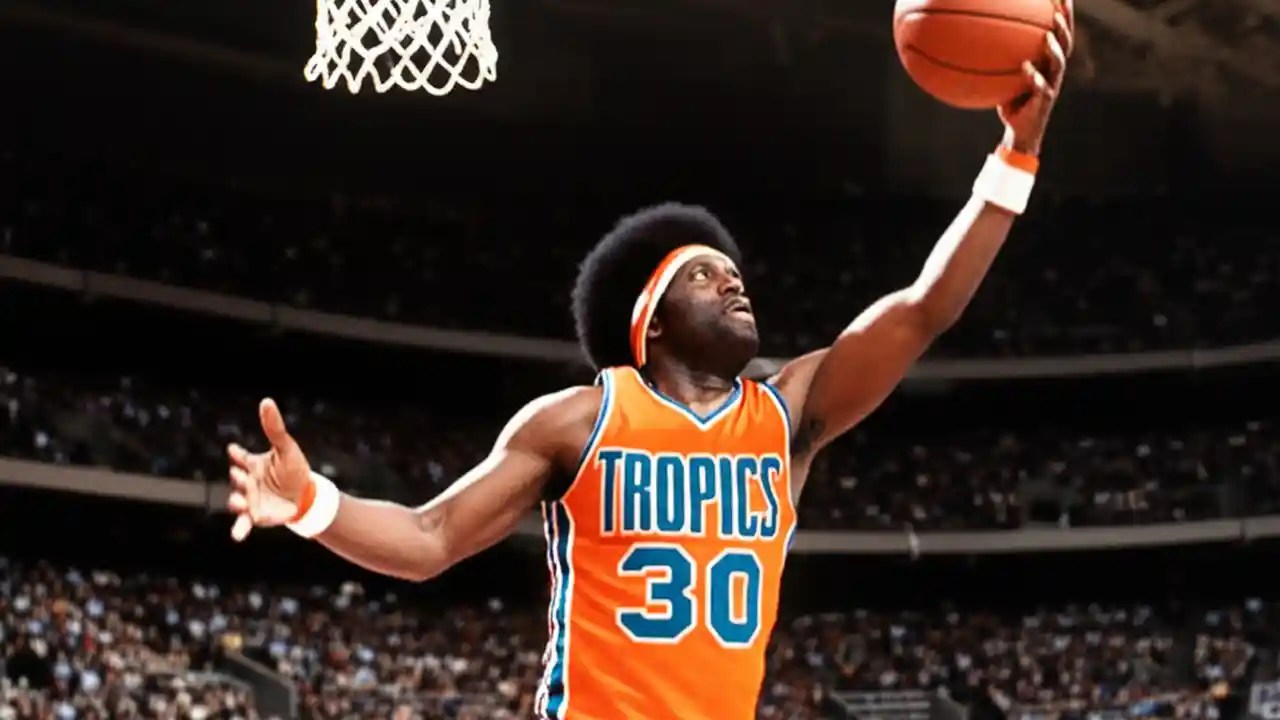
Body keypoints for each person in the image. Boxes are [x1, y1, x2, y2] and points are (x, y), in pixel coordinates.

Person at [225, 8, 1074, 718]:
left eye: (734, 272)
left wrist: (1015, 157)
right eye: (703, 275)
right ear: (652, 325)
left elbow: (926, 307)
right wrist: (311, 503)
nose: (732, 281)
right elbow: (430, 537)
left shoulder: (784, 416)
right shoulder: (581, 421)